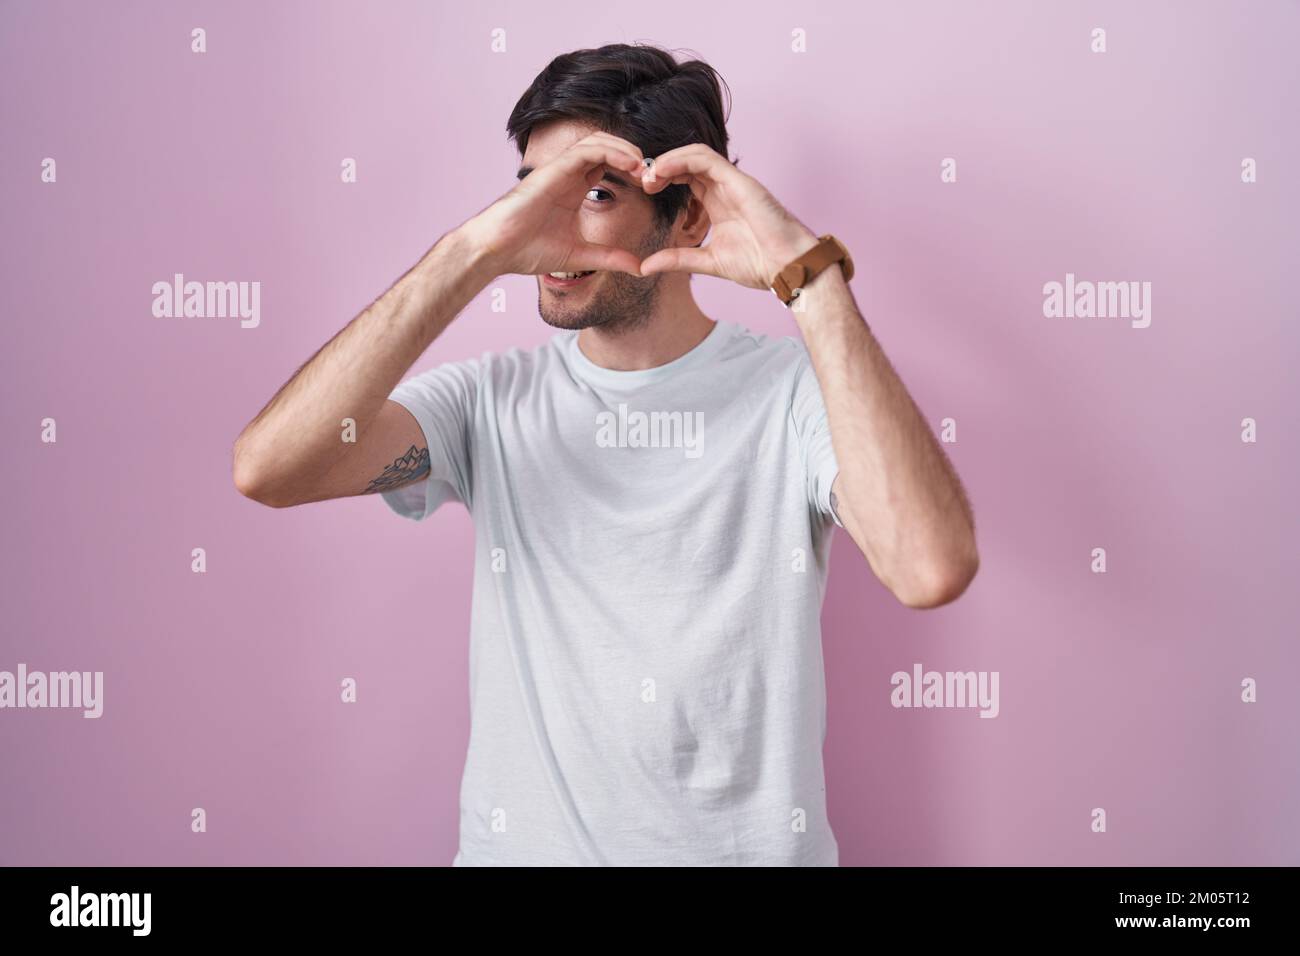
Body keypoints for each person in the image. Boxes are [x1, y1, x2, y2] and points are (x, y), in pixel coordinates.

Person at [232, 42, 979, 866]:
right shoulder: (487, 402)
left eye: (592, 193)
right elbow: (269, 470)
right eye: (530, 192)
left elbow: (928, 567)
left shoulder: (797, 395)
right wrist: (470, 253)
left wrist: (811, 279)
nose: (548, 231)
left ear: (686, 214)